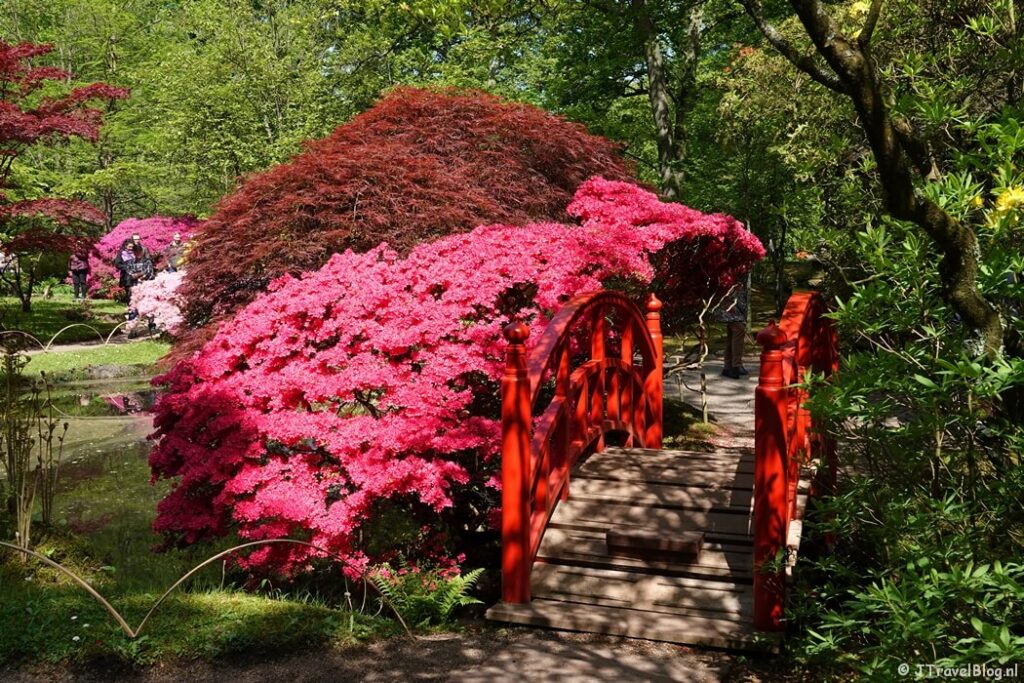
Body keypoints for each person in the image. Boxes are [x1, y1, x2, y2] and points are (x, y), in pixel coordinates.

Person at [714, 275, 749, 379]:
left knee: (732, 333)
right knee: (738, 329)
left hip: (735, 301)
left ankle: (728, 366)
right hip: (731, 302)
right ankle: (735, 365)